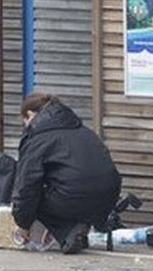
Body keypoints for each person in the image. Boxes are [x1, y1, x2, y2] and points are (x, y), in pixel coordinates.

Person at [12, 92, 121, 254]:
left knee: (32, 197)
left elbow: (27, 185)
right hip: (109, 198)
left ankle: (68, 232)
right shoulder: (84, 130)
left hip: (74, 197)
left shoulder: (38, 139)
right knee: (67, 188)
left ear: (30, 115)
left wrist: (23, 224)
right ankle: (78, 229)